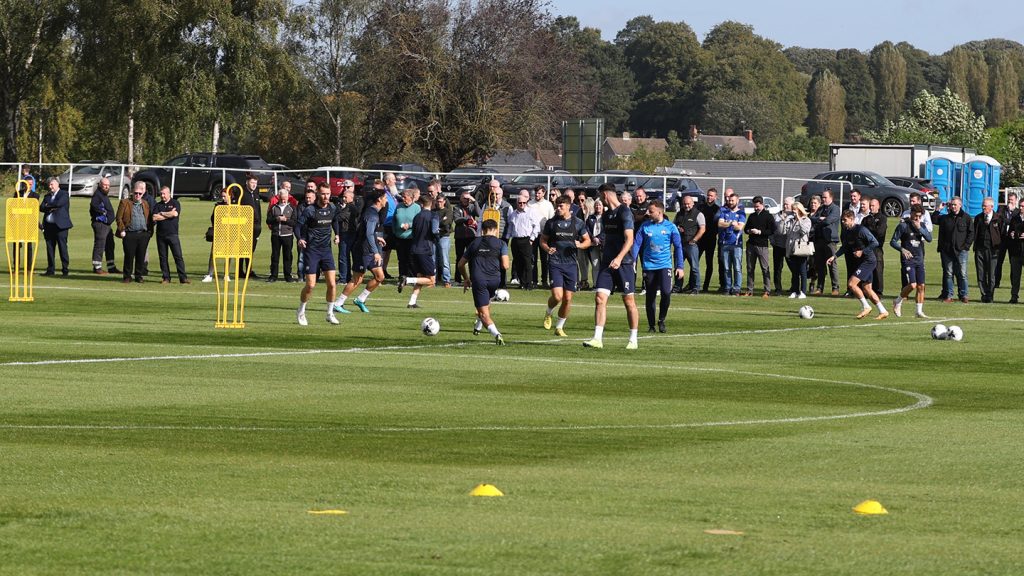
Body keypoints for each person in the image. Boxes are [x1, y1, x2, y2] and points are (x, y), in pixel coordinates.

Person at [584, 183, 639, 350]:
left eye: (601, 196)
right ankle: (597, 339)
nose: (600, 200)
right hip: (607, 263)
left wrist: (619, 258)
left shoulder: (625, 212)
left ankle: (633, 339)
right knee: (600, 298)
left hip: (624, 263)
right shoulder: (607, 216)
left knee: (628, 300)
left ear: (606, 195)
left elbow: (629, 239)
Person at [541, 195, 591, 337]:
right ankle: (549, 312)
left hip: (571, 264)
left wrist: (580, 245)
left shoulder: (578, 223)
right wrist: (547, 248)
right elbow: (543, 240)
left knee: (568, 299)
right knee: (557, 297)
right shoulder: (551, 223)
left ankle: (559, 327)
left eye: (561, 206)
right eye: (557, 206)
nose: (558, 208)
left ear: (569, 206)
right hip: (556, 263)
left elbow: (587, 240)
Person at [633, 199, 684, 333]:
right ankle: (651, 325)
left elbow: (678, 247)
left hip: (664, 265)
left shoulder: (670, 227)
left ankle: (661, 320)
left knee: (666, 293)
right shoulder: (644, 226)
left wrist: (680, 266)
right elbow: (637, 244)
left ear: (660, 212)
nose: (648, 213)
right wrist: (632, 260)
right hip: (649, 266)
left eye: (651, 211)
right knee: (650, 296)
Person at [334, 190, 389, 314]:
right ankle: (338, 304)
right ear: (379, 199)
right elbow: (368, 233)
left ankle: (360, 299)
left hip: (368, 250)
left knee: (380, 276)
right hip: (362, 251)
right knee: (357, 279)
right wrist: (376, 251)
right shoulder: (372, 215)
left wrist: (376, 237)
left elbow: (369, 232)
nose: (386, 200)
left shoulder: (373, 212)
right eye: (385, 197)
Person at [295, 182, 341, 326]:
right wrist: (300, 239)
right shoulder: (310, 210)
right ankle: (301, 311)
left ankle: (329, 313)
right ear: (318, 194)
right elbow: (298, 225)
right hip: (312, 251)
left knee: (332, 284)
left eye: (328, 193)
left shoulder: (332, 208)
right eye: (323, 194)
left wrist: (337, 234)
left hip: (326, 250)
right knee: (310, 285)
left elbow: (335, 222)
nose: (326, 196)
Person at [457, 219, 510, 345]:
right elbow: (506, 265)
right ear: (496, 230)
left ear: (482, 230)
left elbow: (460, 264)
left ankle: (496, 334)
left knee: (483, 313)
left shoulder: (474, 243)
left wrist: (466, 279)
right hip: (494, 280)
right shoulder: (501, 243)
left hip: (479, 280)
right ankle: (478, 327)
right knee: (486, 304)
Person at [827, 210, 887, 320]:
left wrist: (862, 251)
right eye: (842, 220)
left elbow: (875, 242)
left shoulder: (861, 230)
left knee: (851, 284)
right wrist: (834, 256)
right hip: (862, 262)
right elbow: (844, 247)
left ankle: (866, 307)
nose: (843, 222)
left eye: (845, 220)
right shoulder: (846, 232)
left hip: (868, 261)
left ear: (852, 219)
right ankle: (883, 311)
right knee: (867, 288)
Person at [890, 205, 933, 318]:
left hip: (919, 259)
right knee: (913, 285)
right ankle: (898, 301)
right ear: (911, 213)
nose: (917, 218)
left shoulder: (921, 225)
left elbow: (929, 238)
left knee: (921, 286)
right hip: (908, 260)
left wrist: (920, 228)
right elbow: (893, 241)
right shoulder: (903, 226)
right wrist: (902, 249)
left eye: (919, 216)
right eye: (915, 215)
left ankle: (918, 311)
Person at [398, 195, 439, 308]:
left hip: (414, 249)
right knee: (431, 280)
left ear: (421, 204)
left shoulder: (416, 217)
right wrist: (437, 238)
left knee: (420, 277)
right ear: (431, 204)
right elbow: (434, 230)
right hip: (424, 250)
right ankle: (407, 280)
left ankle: (412, 302)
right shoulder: (433, 215)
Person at [934, 196, 973, 303]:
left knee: (962, 274)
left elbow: (971, 233)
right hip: (947, 250)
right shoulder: (945, 218)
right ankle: (949, 295)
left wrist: (966, 247)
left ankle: (964, 295)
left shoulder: (967, 218)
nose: (953, 207)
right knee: (948, 273)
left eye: (955, 204)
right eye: (952, 205)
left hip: (961, 251)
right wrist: (938, 209)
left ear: (960, 205)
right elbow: (934, 219)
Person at [115, 181, 153, 283]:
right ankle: (127, 276)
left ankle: (138, 275)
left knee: (141, 256)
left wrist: (149, 233)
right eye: (135, 193)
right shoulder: (125, 202)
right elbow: (119, 218)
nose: (137, 195)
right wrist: (122, 230)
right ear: (132, 192)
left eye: (139, 193)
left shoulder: (145, 204)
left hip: (143, 234)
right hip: (129, 233)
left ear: (143, 193)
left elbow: (149, 218)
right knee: (129, 256)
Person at [152, 185, 189, 284]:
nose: (162, 196)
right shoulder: (157, 205)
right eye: (161, 194)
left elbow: (175, 214)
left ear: (169, 194)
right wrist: (168, 214)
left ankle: (183, 278)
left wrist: (162, 213)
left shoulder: (175, 203)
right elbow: (154, 218)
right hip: (160, 235)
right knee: (163, 258)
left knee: (178, 256)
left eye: (164, 193)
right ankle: (166, 278)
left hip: (173, 234)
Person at [39, 177, 73, 277]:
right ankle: (50, 269)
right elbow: (41, 207)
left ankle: (65, 269)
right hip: (49, 226)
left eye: (52, 184)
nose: (50, 187)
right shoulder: (47, 195)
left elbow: (59, 204)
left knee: (62, 248)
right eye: (49, 185)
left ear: (57, 184)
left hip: (61, 226)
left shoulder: (64, 194)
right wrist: (51, 206)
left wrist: (48, 206)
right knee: (50, 248)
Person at [742, 195, 775, 297]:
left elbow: (772, 230)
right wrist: (749, 231)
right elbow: (745, 229)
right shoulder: (752, 216)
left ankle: (767, 290)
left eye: (757, 206)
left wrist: (760, 232)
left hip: (762, 246)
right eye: (754, 207)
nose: (756, 208)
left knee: (765, 268)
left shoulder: (768, 216)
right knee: (750, 268)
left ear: (762, 205)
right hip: (751, 245)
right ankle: (749, 290)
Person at [507, 190, 539, 289]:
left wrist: (532, 239)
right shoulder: (513, 214)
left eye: (524, 203)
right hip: (516, 240)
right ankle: (522, 282)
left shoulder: (531, 212)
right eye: (520, 203)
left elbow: (536, 226)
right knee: (517, 262)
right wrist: (508, 238)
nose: (522, 204)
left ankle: (529, 283)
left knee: (527, 263)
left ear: (526, 203)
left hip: (526, 240)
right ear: (517, 203)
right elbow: (510, 227)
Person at [672, 194, 705, 294]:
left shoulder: (698, 214)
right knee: (678, 266)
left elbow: (702, 229)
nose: (686, 206)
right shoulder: (679, 214)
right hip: (680, 245)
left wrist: (694, 240)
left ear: (693, 203)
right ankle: (678, 286)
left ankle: (696, 287)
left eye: (688, 204)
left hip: (691, 245)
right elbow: (673, 226)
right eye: (684, 204)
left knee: (694, 267)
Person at [812, 189, 841, 296]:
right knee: (820, 266)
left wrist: (821, 220)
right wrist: (821, 219)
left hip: (830, 241)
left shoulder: (836, 209)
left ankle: (835, 288)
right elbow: (812, 219)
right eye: (822, 197)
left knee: (832, 264)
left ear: (831, 198)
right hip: (819, 240)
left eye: (825, 197)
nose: (823, 199)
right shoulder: (820, 209)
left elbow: (829, 221)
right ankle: (820, 288)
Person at [717, 191, 746, 296]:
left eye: (732, 200)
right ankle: (728, 287)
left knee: (737, 267)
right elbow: (720, 224)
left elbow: (739, 227)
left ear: (737, 201)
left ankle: (737, 287)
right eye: (729, 200)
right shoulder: (724, 212)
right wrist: (730, 223)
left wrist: (732, 225)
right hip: (725, 243)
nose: (730, 202)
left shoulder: (741, 213)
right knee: (726, 267)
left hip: (736, 244)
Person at [203, 187, 234, 283]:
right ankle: (210, 274)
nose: (223, 198)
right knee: (213, 253)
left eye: (225, 196)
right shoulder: (218, 206)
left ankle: (226, 274)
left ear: (230, 196)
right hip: (219, 232)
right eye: (222, 196)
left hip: (230, 233)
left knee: (228, 254)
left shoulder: (235, 206)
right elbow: (213, 218)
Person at [973, 197, 1001, 303]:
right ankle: (984, 295)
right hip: (980, 249)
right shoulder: (978, 218)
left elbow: (1002, 234)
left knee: (992, 274)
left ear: (992, 207)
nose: (983, 207)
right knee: (981, 273)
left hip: (993, 250)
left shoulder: (998, 218)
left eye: (985, 205)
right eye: (982, 205)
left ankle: (990, 295)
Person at [89, 177, 119, 275]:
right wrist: (104, 214)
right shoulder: (97, 195)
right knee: (100, 245)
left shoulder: (103, 194)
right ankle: (97, 267)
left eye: (108, 185)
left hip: (107, 225)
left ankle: (111, 267)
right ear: (100, 185)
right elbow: (94, 206)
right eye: (105, 185)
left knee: (110, 245)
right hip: (101, 224)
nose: (107, 187)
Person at [267, 187, 297, 283]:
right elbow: (268, 220)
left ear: (288, 198)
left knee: (287, 256)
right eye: (282, 198)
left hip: (287, 235)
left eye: (285, 198)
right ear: (279, 198)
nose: (283, 200)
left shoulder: (292, 208)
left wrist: (286, 220)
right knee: (275, 256)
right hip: (276, 235)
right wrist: (277, 219)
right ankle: (273, 275)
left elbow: (294, 222)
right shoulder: (274, 207)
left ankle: (288, 275)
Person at [452, 190, 481, 285]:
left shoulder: (472, 206)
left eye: (467, 198)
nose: (466, 200)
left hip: (471, 236)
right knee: (459, 258)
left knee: (472, 258)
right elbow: (456, 219)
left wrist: (475, 202)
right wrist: (467, 219)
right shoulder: (456, 207)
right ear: (460, 198)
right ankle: (457, 279)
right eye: (464, 198)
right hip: (460, 236)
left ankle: (472, 278)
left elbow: (479, 214)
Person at [861, 199, 888, 297]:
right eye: (870, 205)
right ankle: (867, 290)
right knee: (867, 269)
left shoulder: (882, 218)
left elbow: (880, 232)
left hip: (877, 248)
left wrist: (870, 228)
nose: (871, 207)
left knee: (878, 270)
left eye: (873, 205)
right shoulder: (865, 219)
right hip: (867, 248)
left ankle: (878, 291)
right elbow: (862, 232)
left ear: (878, 206)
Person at [784, 202, 812, 299]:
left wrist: (799, 220)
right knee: (794, 272)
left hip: (801, 248)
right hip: (791, 248)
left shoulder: (806, 220)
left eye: (795, 210)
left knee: (802, 271)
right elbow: (785, 232)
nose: (793, 212)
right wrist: (785, 221)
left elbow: (804, 231)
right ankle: (795, 291)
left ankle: (803, 291)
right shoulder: (791, 220)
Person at [334, 180, 360, 284]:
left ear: (351, 198)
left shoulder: (350, 207)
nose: (343, 198)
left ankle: (343, 278)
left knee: (343, 256)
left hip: (347, 233)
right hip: (349, 233)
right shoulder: (350, 207)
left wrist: (338, 211)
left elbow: (339, 217)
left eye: (345, 197)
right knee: (347, 256)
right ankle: (348, 277)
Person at [238, 173, 263, 279]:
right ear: (247, 182)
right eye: (252, 182)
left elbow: (258, 209)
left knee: (251, 250)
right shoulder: (241, 192)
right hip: (244, 225)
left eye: (255, 183)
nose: (254, 185)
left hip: (256, 226)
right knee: (242, 249)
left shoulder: (256, 193)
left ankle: (249, 270)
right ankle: (240, 271)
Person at [529, 184, 554, 288]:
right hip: (533, 235)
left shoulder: (548, 205)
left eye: (539, 193)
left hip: (544, 235)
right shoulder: (530, 204)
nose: (537, 195)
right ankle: (534, 281)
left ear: (544, 193)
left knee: (545, 259)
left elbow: (551, 220)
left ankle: (544, 281)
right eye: (536, 193)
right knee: (533, 259)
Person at [393, 186, 420, 278]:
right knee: (401, 259)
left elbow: (418, 221)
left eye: (405, 197)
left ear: (411, 198)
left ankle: (412, 277)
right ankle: (402, 276)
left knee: (411, 259)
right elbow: (394, 220)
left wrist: (409, 225)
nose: (403, 199)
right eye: (402, 197)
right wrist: (395, 231)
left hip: (411, 237)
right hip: (399, 237)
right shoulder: (399, 206)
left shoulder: (417, 208)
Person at [697, 188, 720, 293]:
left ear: (716, 197)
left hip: (711, 239)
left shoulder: (717, 209)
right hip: (700, 238)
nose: (709, 197)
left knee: (709, 263)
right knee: (695, 261)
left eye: (711, 195)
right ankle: (693, 283)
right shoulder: (701, 207)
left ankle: (705, 286)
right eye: (708, 195)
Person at [769, 197, 793, 295]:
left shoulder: (794, 216)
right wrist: (772, 240)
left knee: (793, 268)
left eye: (787, 204)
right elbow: (772, 230)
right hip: (778, 245)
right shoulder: (777, 216)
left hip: (789, 246)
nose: (785, 205)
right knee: (777, 268)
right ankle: (778, 288)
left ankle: (794, 286)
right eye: (784, 203)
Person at [995, 192, 1018, 289]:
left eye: (1012, 200)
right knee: (998, 262)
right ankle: (996, 283)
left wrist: (1011, 214)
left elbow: (1013, 222)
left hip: (1013, 241)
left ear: (1015, 201)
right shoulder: (1001, 209)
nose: (1010, 202)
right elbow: (998, 219)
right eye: (1008, 200)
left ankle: (1014, 284)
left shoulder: (1017, 211)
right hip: (1002, 239)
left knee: (1013, 263)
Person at [294, 183, 317, 280]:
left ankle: (315, 276)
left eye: (310, 198)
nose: (308, 199)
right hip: (303, 235)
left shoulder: (317, 207)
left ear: (315, 197)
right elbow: (299, 222)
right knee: (302, 258)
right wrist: (299, 238)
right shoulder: (301, 207)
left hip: (315, 236)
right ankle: (301, 276)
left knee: (314, 258)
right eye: (307, 197)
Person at [433, 193, 454, 287]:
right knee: (434, 259)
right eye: (437, 201)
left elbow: (447, 222)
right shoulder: (433, 211)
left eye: (441, 202)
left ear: (444, 202)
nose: (439, 203)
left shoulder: (448, 211)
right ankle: (433, 279)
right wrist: (440, 223)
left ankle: (447, 280)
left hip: (444, 236)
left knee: (445, 259)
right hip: (434, 237)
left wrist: (437, 223)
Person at [1007, 202, 1024, 304]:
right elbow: (1010, 232)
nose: (1021, 208)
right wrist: (1012, 234)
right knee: (1015, 276)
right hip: (1016, 251)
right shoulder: (1015, 218)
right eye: (1020, 206)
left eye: (1023, 206)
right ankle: (1014, 296)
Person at [585, 200, 604, 288]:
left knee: (604, 264)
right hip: (593, 244)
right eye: (596, 205)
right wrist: (593, 238)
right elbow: (587, 229)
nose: (598, 207)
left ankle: (604, 284)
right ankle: (596, 284)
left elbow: (606, 230)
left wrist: (599, 238)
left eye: (599, 205)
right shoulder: (590, 217)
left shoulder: (606, 216)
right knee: (595, 264)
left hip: (603, 244)